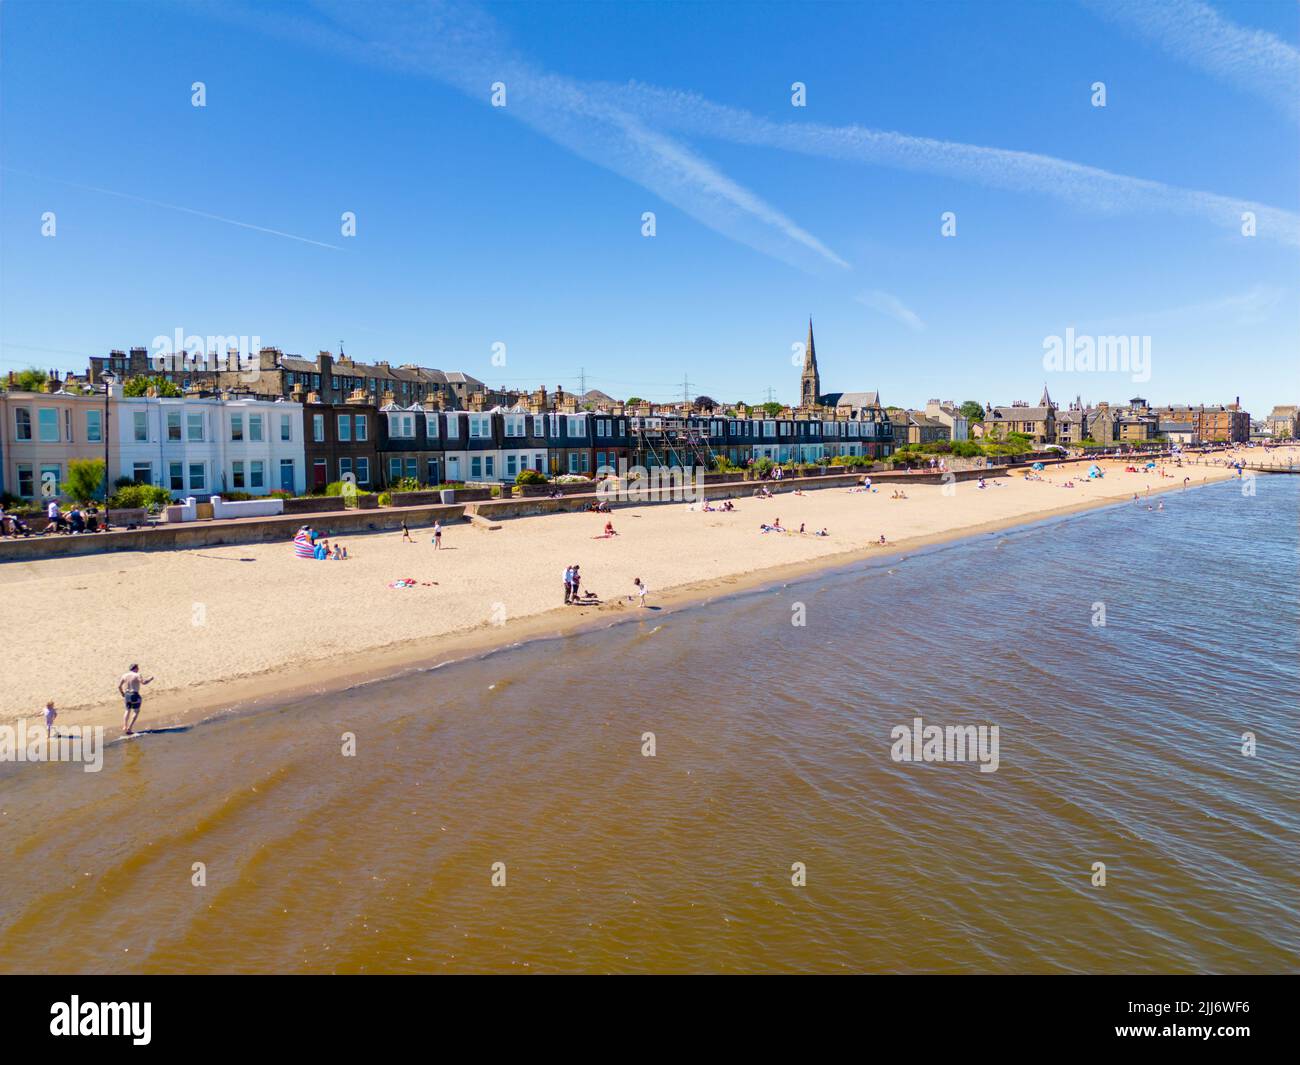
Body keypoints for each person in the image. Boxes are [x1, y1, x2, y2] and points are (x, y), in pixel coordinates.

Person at [118, 664, 154, 735]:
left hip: (127, 695)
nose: (138, 669)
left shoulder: (124, 675)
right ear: (135, 668)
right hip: (134, 694)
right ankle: (129, 728)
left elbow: (119, 686)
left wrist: (122, 693)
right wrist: (150, 679)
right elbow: (143, 682)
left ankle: (125, 726)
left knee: (127, 710)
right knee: (136, 711)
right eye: (138, 668)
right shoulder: (137, 675)